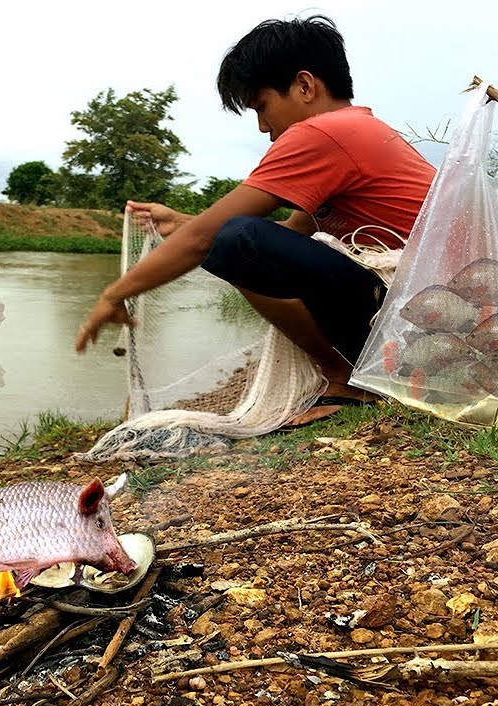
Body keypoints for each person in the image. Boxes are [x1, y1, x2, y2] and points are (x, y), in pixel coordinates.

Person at [74, 14, 436, 428]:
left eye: (262, 108)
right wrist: (186, 223)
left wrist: (113, 294)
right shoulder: (359, 129)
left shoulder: (325, 133)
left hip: (419, 315)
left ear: (304, 86)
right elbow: (288, 238)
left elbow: (223, 241)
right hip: (423, 309)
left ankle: (348, 380)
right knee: (237, 240)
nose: (265, 128)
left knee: (234, 240)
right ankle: (353, 373)